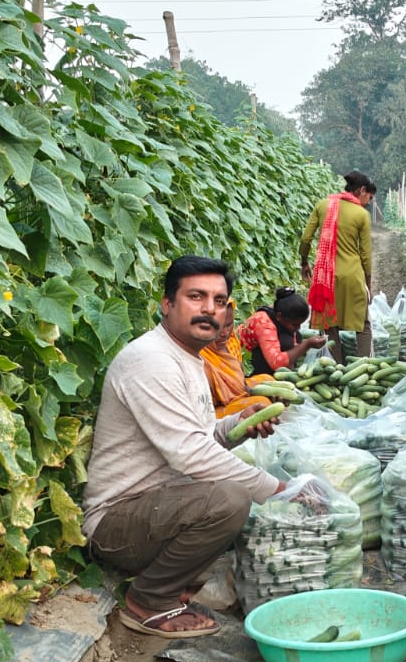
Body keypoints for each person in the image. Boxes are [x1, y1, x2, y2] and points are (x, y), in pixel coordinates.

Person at [82, 256, 286, 639]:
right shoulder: (151, 360)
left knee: (238, 497)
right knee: (231, 499)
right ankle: (148, 601)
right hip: (116, 523)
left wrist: (239, 425)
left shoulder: (188, 359)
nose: (210, 309)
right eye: (196, 296)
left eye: (219, 300)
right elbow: (190, 454)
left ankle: (174, 579)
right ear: (167, 304)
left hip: (161, 507)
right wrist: (276, 490)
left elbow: (199, 437)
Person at [299, 171, 376, 362]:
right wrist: (368, 283)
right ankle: (362, 367)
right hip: (352, 276)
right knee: (363, 325)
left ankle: (336, 367)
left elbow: (306, 239)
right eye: (369, 197)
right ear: (362, 190)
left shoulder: (323, 205)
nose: (368, 202)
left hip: (326, 278)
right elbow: (366, 254)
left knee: (329, 326)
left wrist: (304, 262)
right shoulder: (361, 214)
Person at [201, 300, 275, 418]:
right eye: (217, 327)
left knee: (269, 380)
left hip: (235, 394)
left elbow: (240, 377)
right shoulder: (198, 356)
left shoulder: (231, 342)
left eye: (228, 325)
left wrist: (249, 390)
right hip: (210, 412)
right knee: (262, 402)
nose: (225, 333)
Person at [237, 287, 327, 373]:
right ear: (279, 316)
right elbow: (276, 363)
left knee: (292, 339)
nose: (298, 328)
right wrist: (306, 345)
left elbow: (293, 344)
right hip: (246, 360)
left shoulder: (284, 312)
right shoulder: (263, 322)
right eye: (294, 324)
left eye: (300, 324)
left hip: (264, 351)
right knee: (286, 342)